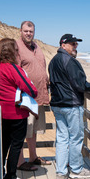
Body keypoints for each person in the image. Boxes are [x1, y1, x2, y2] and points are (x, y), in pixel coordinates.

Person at [0, 38, 38, 179]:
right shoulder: (11, 67)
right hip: (16, 113)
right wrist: (33, 90)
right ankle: (11, 177)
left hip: (0, 112)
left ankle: (0, 173)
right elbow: (31, 89)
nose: (18, 53)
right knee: (16, 146)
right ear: (11, 52)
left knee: (4, 145)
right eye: (16, 50)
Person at [48, 34, 90, 179]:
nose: (76, 46)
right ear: (63, 45)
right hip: (71, 105)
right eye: (72, 44)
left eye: (76, 44)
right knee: (75, 138)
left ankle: (61, 173)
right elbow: (81, 85)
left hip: (57, 105)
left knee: (62, 138)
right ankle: (76, 169)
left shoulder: (53, 61)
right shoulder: (70, 61)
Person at [15, 21, 52, 171]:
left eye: (31, 31)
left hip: (39, 96)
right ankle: (19, 162)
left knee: (34, 130)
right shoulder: (17, 47)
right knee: (22, 131)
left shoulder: (36, 46)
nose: (28, 33)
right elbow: (15, 71)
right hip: (26, 97)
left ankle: (33, 157)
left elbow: (40, 68)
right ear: (20, 31)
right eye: (26, 31)